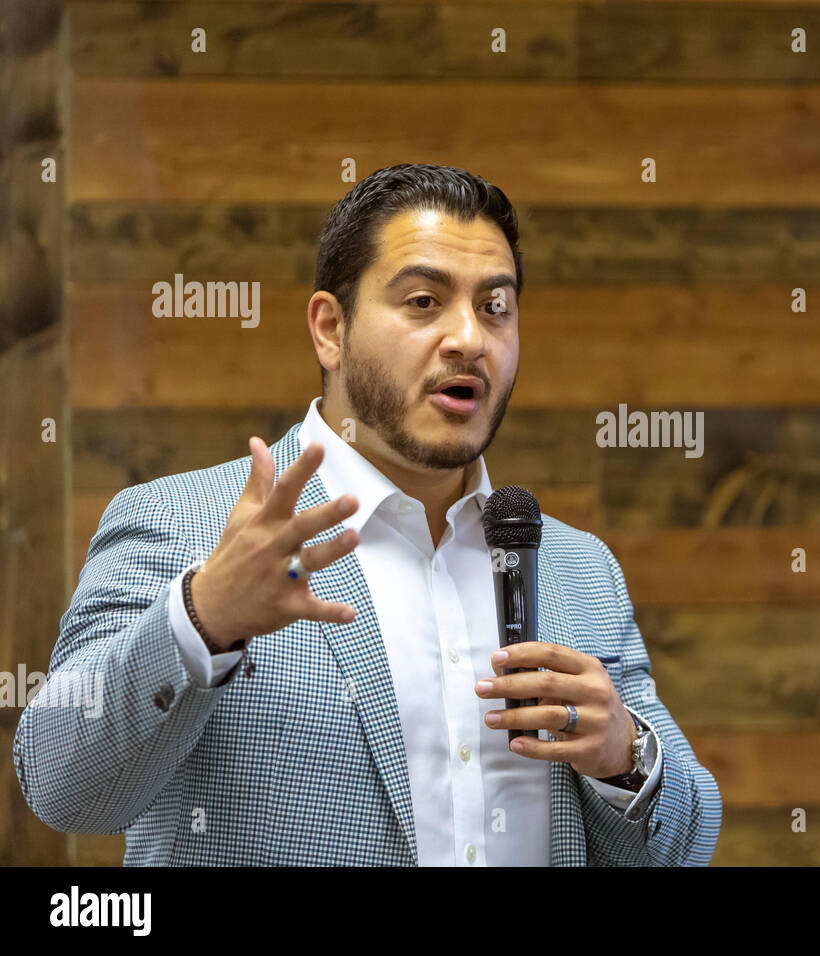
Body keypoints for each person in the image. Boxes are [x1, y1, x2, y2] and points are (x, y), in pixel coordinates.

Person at [13, 163, 721, 866]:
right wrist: (202, 620)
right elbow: (62, 789)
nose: (469, 338)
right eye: (423, 302)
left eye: (495, 308)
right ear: (330, 329)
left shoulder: (578, 568)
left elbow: (684, 847)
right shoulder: (179, 522)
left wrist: (625, 758)